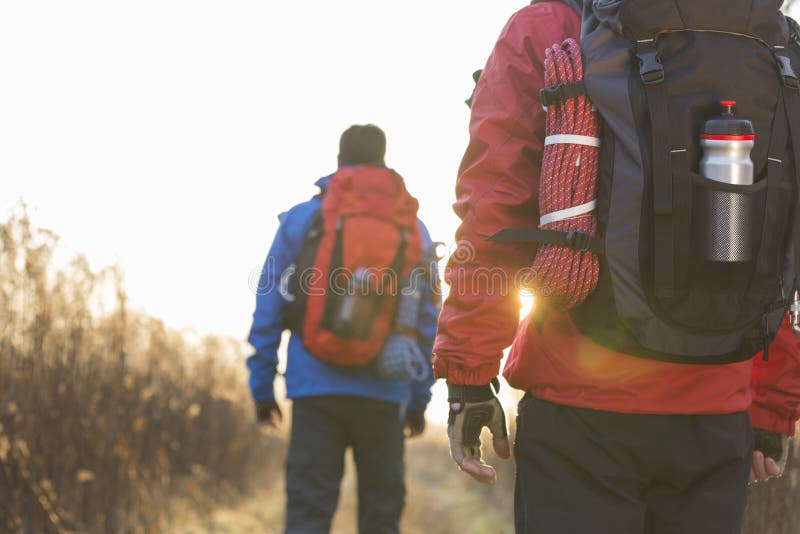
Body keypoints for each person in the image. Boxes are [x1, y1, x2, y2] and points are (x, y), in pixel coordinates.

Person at [434, 2, 800, 533]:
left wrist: (468, 374)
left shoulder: (553, 27)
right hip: (717, 415)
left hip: (580, 413)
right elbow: (783, 232)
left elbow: (493, 208)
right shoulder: (772, 39)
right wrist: (771, 400)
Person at [247, 124, 439, 534]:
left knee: (308, 515)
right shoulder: (414, 229)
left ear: (338, 164)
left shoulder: (303, 219)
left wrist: (262, 389)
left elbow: (269, 304)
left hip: (315, 388)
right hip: (385, 392)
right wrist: (418, 400)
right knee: (381, 518)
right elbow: (427, 321)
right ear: (385, 163)